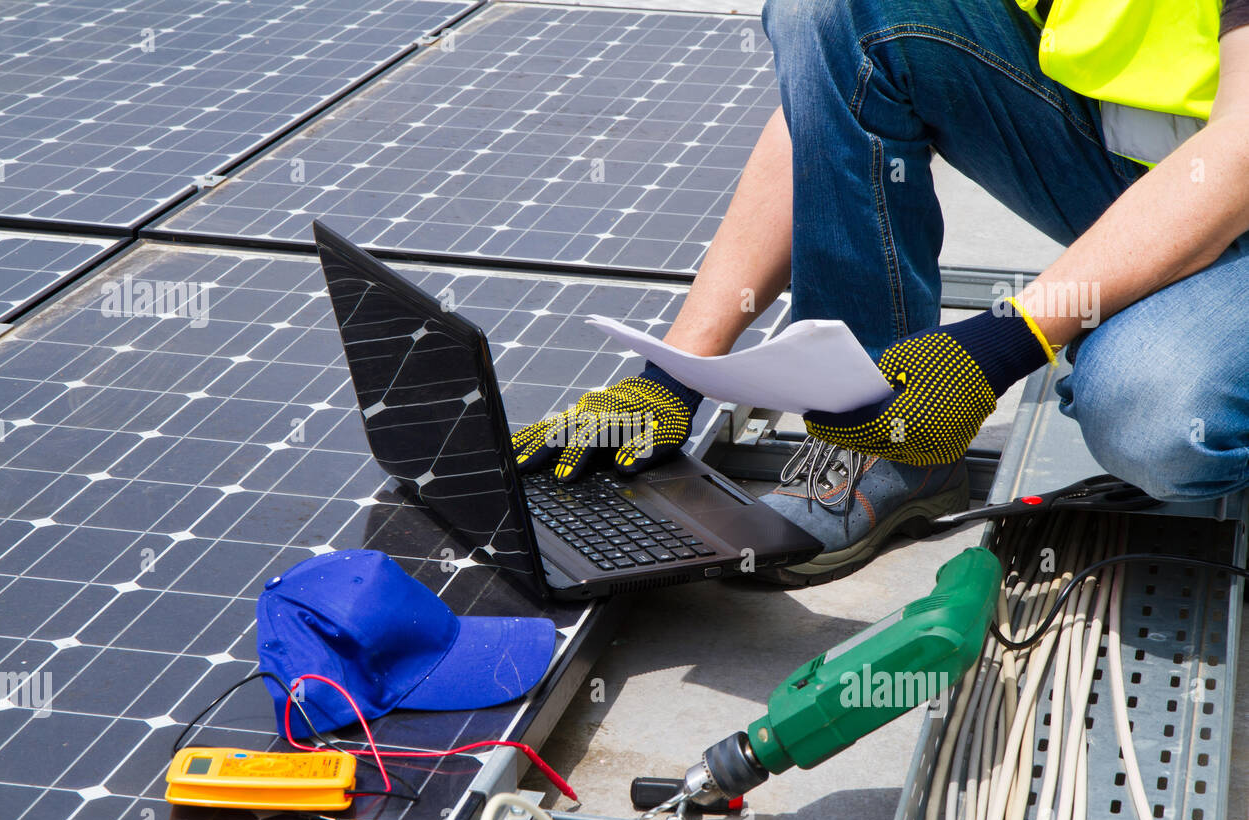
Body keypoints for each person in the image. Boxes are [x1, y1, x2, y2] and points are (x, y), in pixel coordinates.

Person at [512, 0, 1249, 585]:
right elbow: (842, 74)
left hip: (1232, 172)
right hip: (1159, 174)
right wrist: (676, 373)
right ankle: (879, 438)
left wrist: (1005, 341)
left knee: (1154, 421)